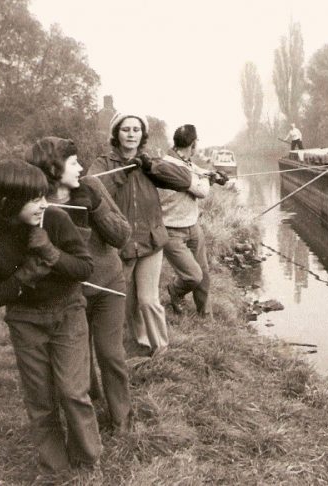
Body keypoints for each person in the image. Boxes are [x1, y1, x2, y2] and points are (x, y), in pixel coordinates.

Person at [0, 160, 101, 472]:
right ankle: (54, 469)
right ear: (7, 202)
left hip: (68, 312)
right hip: (25, 321)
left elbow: (85, 268)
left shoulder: (55, 219)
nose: (44, 203)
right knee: (40, 401)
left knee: (72, 392)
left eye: (44, 195)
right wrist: (24, 276)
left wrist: (51, 254)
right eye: (35, 198)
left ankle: (87, 461)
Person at [26, 137, 133, 434]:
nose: (82, 168)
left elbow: (122, 236)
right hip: (69, 294)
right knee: (79, 361)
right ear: (53, 168)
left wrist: (96, 207)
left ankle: (122, 419)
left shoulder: (92, 186)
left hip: (109, 284)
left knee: (110, 354)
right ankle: (91, 408)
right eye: (73, 163)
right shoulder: (36, 202)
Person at [88, 112, 195, 357]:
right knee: (123, 298)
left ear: (142, 134)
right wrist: (122, 173)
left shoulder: (149, 161)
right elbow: (93, 190)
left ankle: (161, 349)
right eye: (126, 129)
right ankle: (137, 342)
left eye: (136, 130)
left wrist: (150, 166)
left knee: (148, 299)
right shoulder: (104, 163)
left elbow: (184, 179)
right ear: (116, 133)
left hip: (150, 241)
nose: (131, 134)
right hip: (120, 242)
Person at [161, 124, 228, 317]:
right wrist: (209, 180)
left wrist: (213, 175)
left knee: (203, 273)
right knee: (193, 275)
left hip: (192, 225)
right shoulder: (170, 165)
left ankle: (205, 315)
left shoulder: (183, 160)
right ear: (193, 144)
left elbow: (197, 171)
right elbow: (202, 191)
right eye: (196, 142)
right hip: (172, 231)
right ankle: (174, 290)